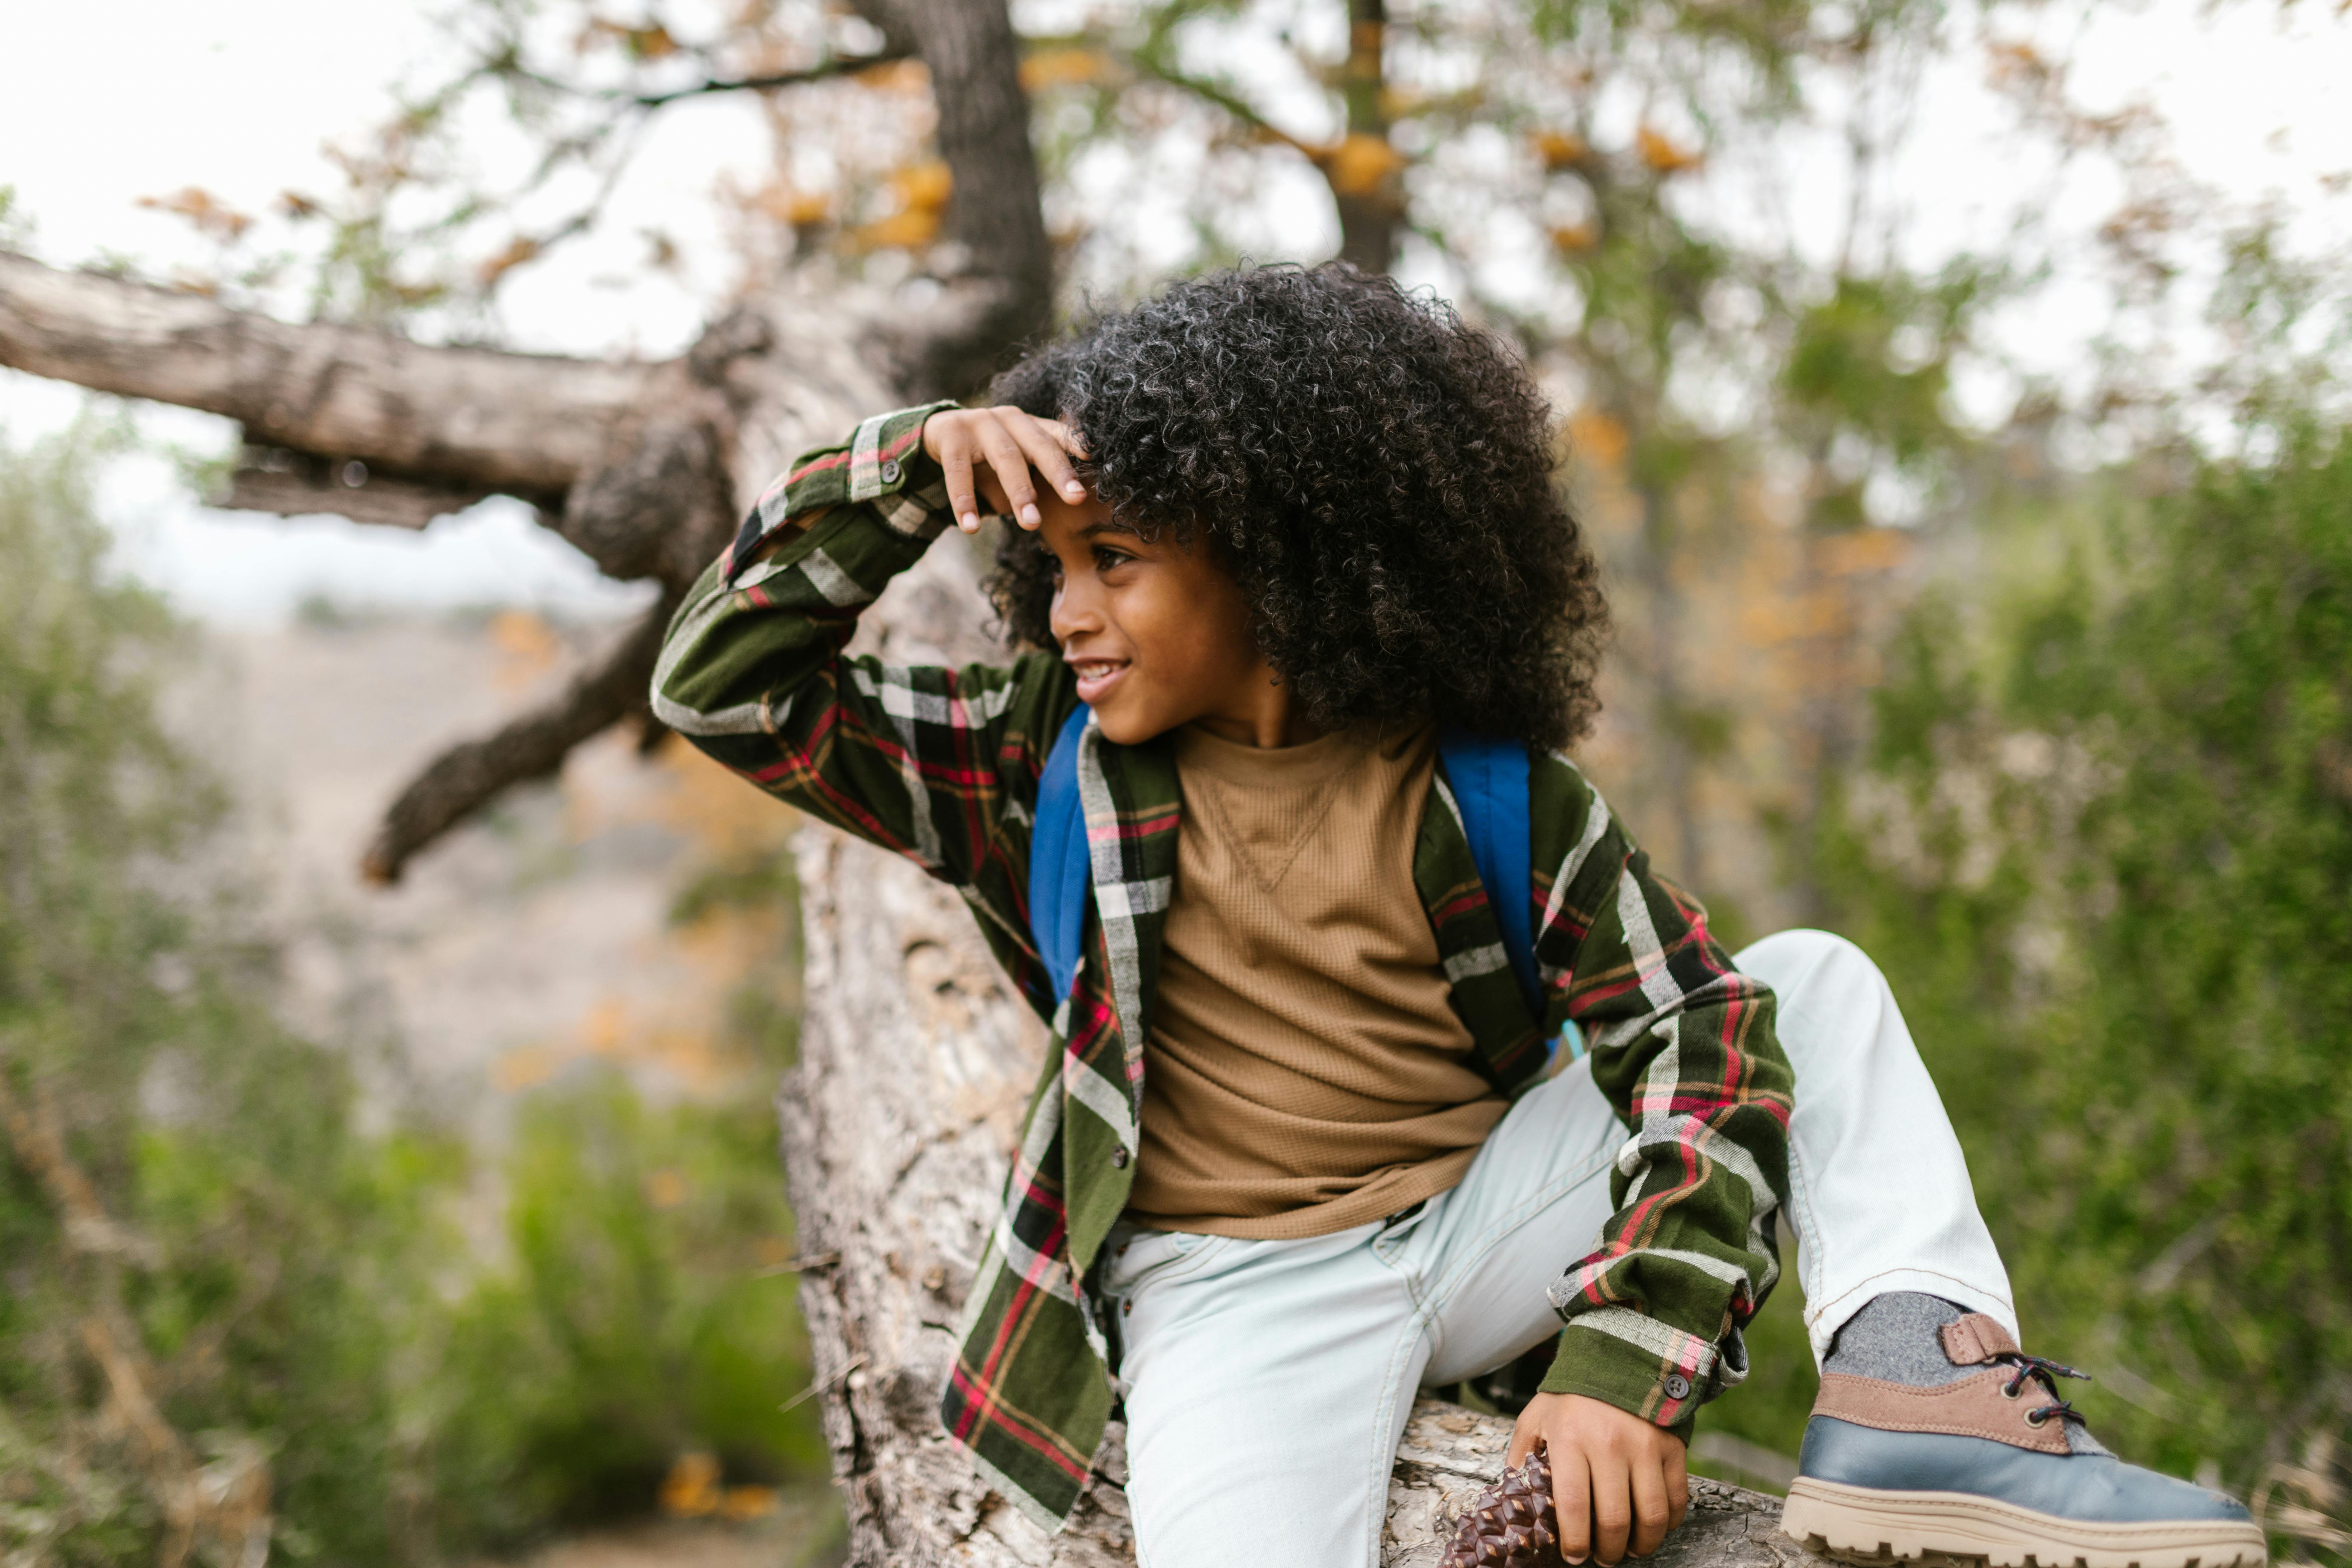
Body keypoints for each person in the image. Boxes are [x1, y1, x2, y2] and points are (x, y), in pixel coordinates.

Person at [651, 263, 2261, 1568]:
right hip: (1231, 1291)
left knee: (1806, 981)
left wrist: (1637, 1350)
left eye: (1118, 558)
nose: (1067, 607)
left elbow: (1695, 1035)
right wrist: (897, 470)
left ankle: (1924, 1400)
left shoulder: (1483, 793)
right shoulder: (1032, 769)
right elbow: (723, 689)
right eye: (1053, 563)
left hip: (1491, 1217)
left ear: (1277, 552)